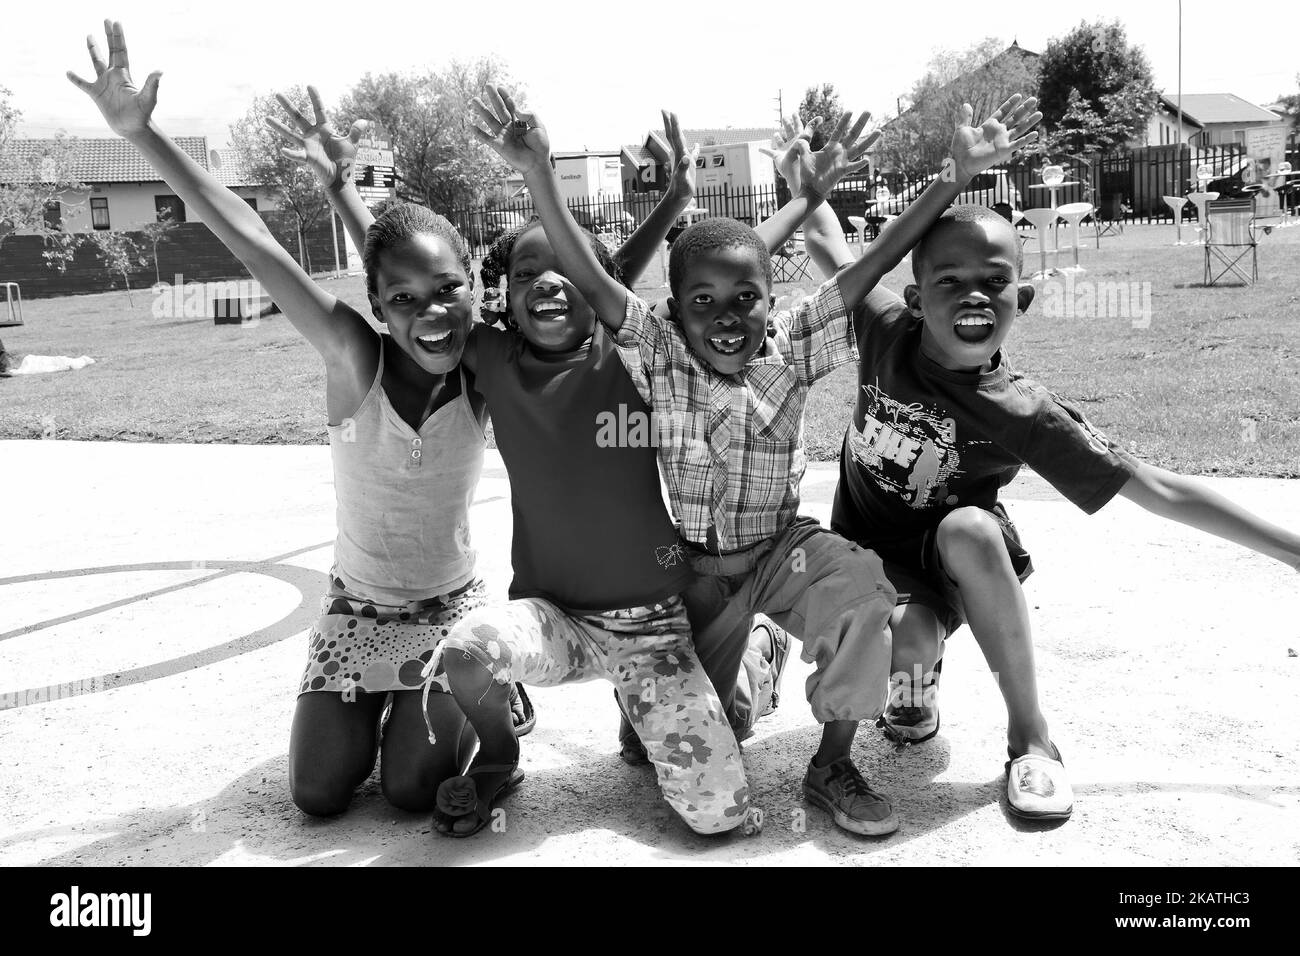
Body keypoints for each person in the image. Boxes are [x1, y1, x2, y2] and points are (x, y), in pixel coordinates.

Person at [471, 85, 1043, 836]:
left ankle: (832, 762)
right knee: (685, 742)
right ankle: (756, 659)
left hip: (780, 552)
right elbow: (593, 274)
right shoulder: (659, 352)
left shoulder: (792, 350)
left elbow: (872, 264)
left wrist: (953, 176)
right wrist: (540, 172)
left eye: (746, 298)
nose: (727, 316)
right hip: (697, 572)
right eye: (702, 302)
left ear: (773, 302)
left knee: (866, 592)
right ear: (674, 312)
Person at [66, 20, 532, 818]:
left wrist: (346, 191)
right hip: (357, 608)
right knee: (317, 795)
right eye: (406, 301)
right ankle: (397, 718)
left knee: (414, 791)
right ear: (378, 311)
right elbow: (254, 244)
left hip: (447, 611)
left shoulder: (481, 368)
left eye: (450, 289)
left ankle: (493, 715)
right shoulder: (355, 358)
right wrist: (145, 137)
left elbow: (576, 291)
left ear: (474, 287)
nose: (433, 315)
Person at [786, 127, 1300, 822]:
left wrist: (1292, 553)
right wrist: (803, 183)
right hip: (867, 564)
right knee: (902, 646)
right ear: (914, 300)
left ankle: (1031, 739)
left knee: (969, 527)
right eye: (950, 282)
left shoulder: (1022, 412)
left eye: (994, 283)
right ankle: (915, 684)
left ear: (1021, 299)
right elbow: (830, 247)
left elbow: (1160, 489)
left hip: (948, 564)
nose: (974, 297)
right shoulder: (882, 329)